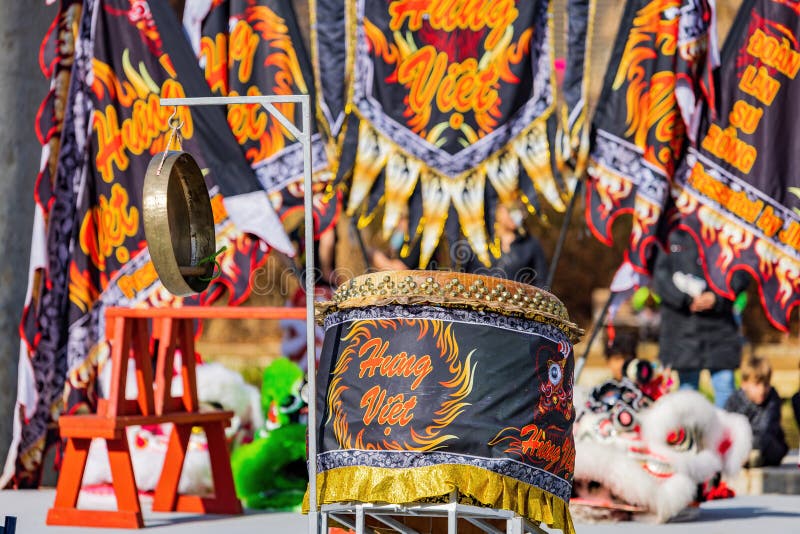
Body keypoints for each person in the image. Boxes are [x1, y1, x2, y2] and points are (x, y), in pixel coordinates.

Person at [653, 228, 749, 408]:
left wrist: (717, 297)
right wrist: (686, 299)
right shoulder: (670, 231)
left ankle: (724, 435)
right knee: (688, 390)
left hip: (721, 328)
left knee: (725, 385)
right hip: (682, 329)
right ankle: (691, 435)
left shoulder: (726, 230)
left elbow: (742, 272)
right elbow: (660, 280)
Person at [464, 201, 549, 287]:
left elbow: (541, 282)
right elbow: (460, 274)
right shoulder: (476, 241)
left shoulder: (530, 243)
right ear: (497, 210)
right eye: (511, 210)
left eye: (520, 210)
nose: (517, 215)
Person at [724, 355, 788, 467]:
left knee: (768, 442)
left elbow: (766, 428)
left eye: (766, 384)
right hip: (740, 444)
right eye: (757, 384)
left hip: (766, 444)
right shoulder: (734, 400)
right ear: (744, 384)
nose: (762, 390)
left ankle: (754, 457)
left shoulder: (772, 399)